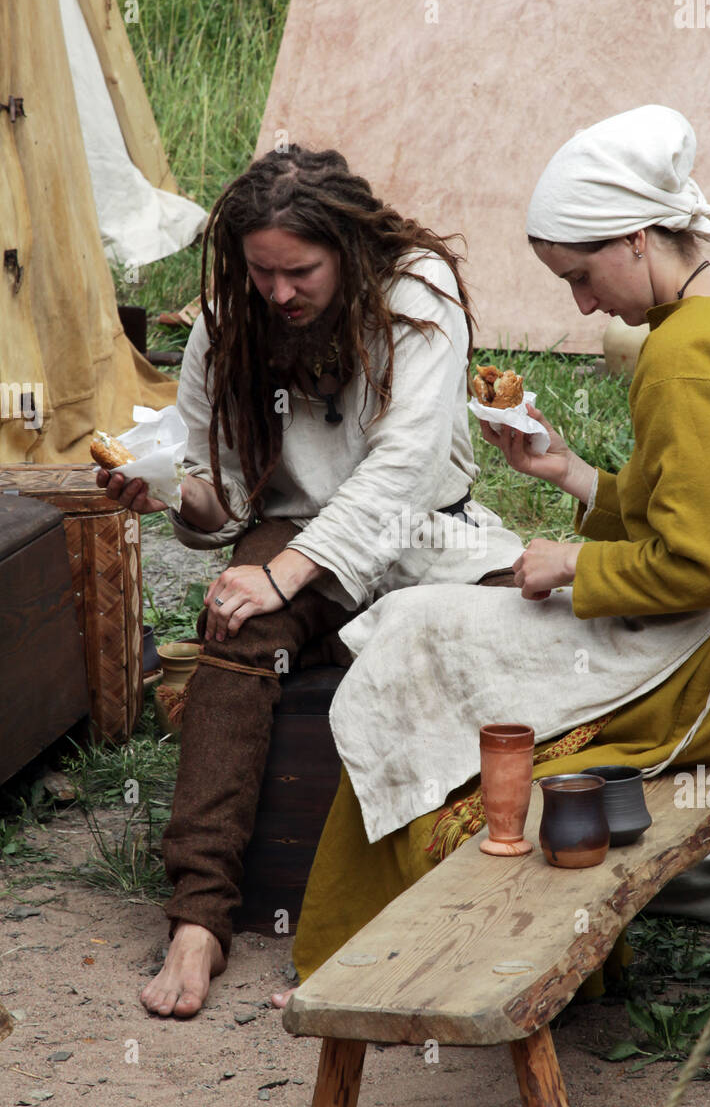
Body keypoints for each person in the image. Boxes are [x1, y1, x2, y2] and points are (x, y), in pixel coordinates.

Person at [278, 104, 710, 1004]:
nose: (583, 304)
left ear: (632, 237)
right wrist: (573, 473)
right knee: (427, 633)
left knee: (415, 654)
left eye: (581, 276)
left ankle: (374, 961)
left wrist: (573, 567)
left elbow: (702, 567)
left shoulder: (683, 359)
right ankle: (402, 946)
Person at [96, 146, 524, 1017]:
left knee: (514, 630)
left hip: (421, 531)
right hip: (293, 533)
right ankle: (200, 915)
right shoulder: (230, 324)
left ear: (349, 248)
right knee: (233, 621)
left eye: (300, 271)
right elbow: (215, 502)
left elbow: (402, 469)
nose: (280, 293)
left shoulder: (418, 295)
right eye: (262, 272)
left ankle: (476, 889)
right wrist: (171, 493)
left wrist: (286, 574)